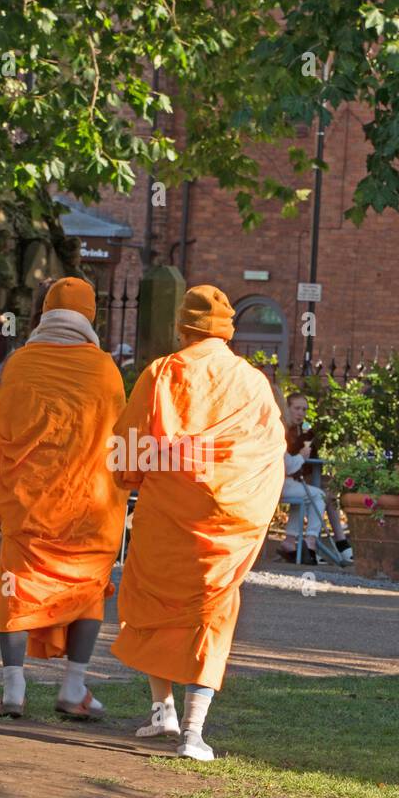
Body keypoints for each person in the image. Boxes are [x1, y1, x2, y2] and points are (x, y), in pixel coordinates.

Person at [110, 284, 286, 761]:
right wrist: (247, 505)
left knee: (151, 602)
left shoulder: (163, 372)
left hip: (165, 514)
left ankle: (161, 707)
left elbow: (129, 444)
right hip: (228, 522)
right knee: (212, 614)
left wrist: (130, 477)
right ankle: (192, 731)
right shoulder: (252, 384)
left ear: (182, 327)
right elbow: (271, 454)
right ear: (226, 330)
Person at [0, 276, 126, 719]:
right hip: (90, 507)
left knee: (17, 590)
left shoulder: (21, 364)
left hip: (30, 504)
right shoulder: (104, 369)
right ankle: (73, 686)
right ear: (90, 316)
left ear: (45, 314)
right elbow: (121, 433)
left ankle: (13, 688)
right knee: (86, 592)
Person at [277, 391, 353, 564]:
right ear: (287, 408)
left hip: (293, 479)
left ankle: (292, 541)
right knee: (317, 495)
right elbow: (288, 464)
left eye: (304, 410)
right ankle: (311, 544)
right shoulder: (282, 429)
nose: (301, 413)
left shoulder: (304, 429)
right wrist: (301, 456)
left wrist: (307, 438)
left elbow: (313, 459)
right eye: (297, 408)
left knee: (318, 493)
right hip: (279, 481)